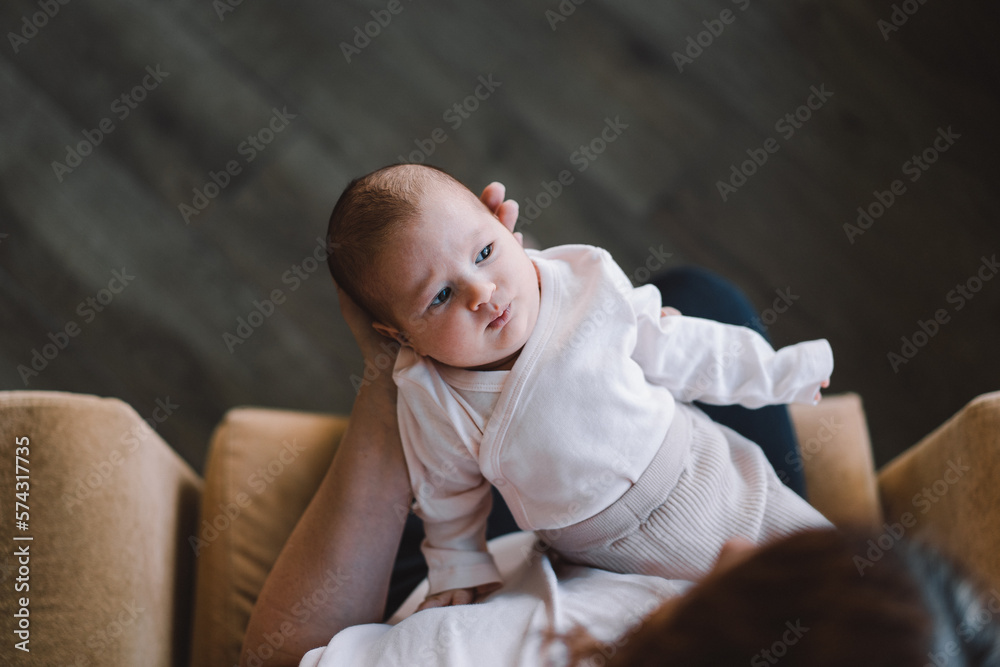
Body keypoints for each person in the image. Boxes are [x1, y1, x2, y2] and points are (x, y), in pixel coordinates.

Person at [325, 163, 834, 611]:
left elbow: (684, 350)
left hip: (707, 473)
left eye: (484, 251)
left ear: (506, 227)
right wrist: (459, 563)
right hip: (602, 556)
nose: (482, 292)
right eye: (440, 295)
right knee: (712, 620)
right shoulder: (436, 399)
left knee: (825, 571)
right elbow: (446, 491)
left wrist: (779, 372)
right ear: (399, 336)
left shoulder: (584, 288)